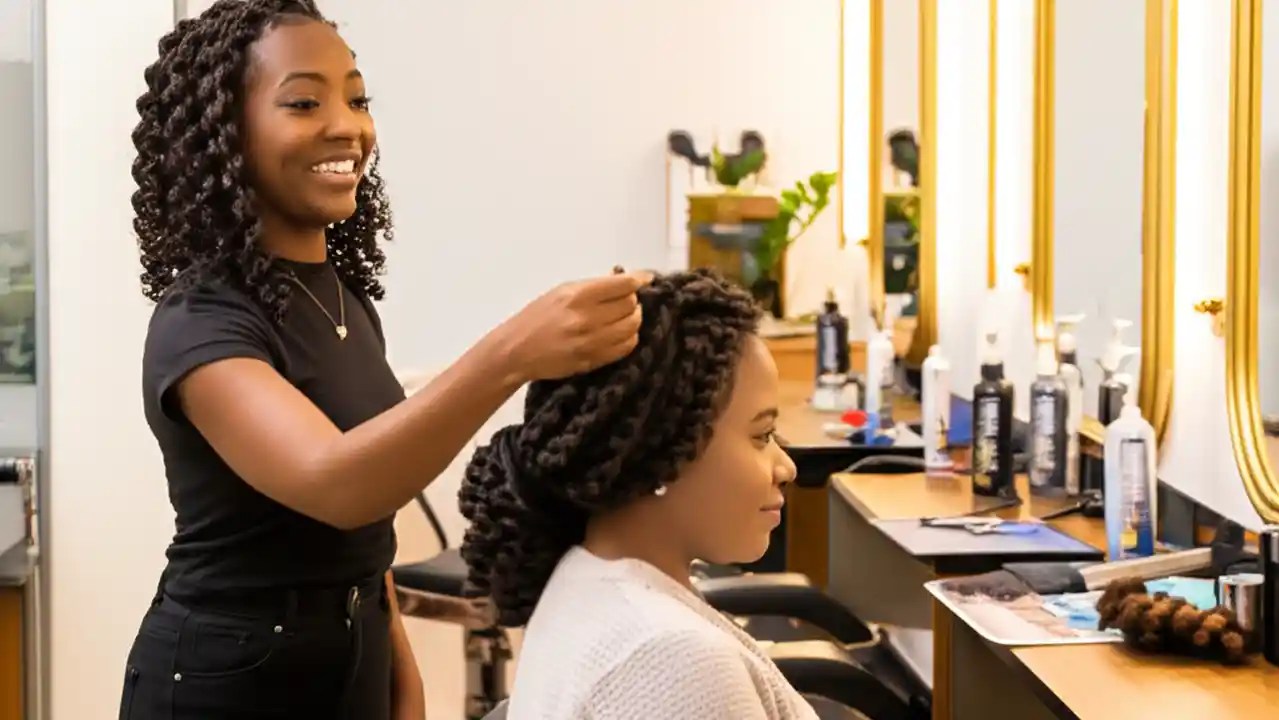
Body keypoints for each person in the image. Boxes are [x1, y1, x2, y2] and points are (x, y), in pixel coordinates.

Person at [119, 1, 650, 718]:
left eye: (357, 99)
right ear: (223, 136)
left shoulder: (342, 302)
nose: (347, 125)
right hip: (230, 681)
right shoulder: (200, 324)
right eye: (304, 101)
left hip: (354, 656)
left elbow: (365, 526)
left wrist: (395, 656)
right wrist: (513, 352)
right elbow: (337, 484)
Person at [459, 270, 817, 719]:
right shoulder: (671, 659)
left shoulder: (589, 575)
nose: (787, 468)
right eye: (761, 435)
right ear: (666, 448)